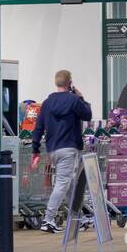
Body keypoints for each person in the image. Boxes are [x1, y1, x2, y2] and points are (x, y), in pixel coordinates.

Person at [30, 69, 93, 233]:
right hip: (69, 148)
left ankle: (76, 218)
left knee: (69, 183)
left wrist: (35, 149)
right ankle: (48, 219)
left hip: (53, 150)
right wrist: (81, 97)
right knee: (62, 183)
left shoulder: (47, 103)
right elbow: (87, 115)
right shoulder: (74, 100)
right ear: (69, 83)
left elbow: (38, 128)